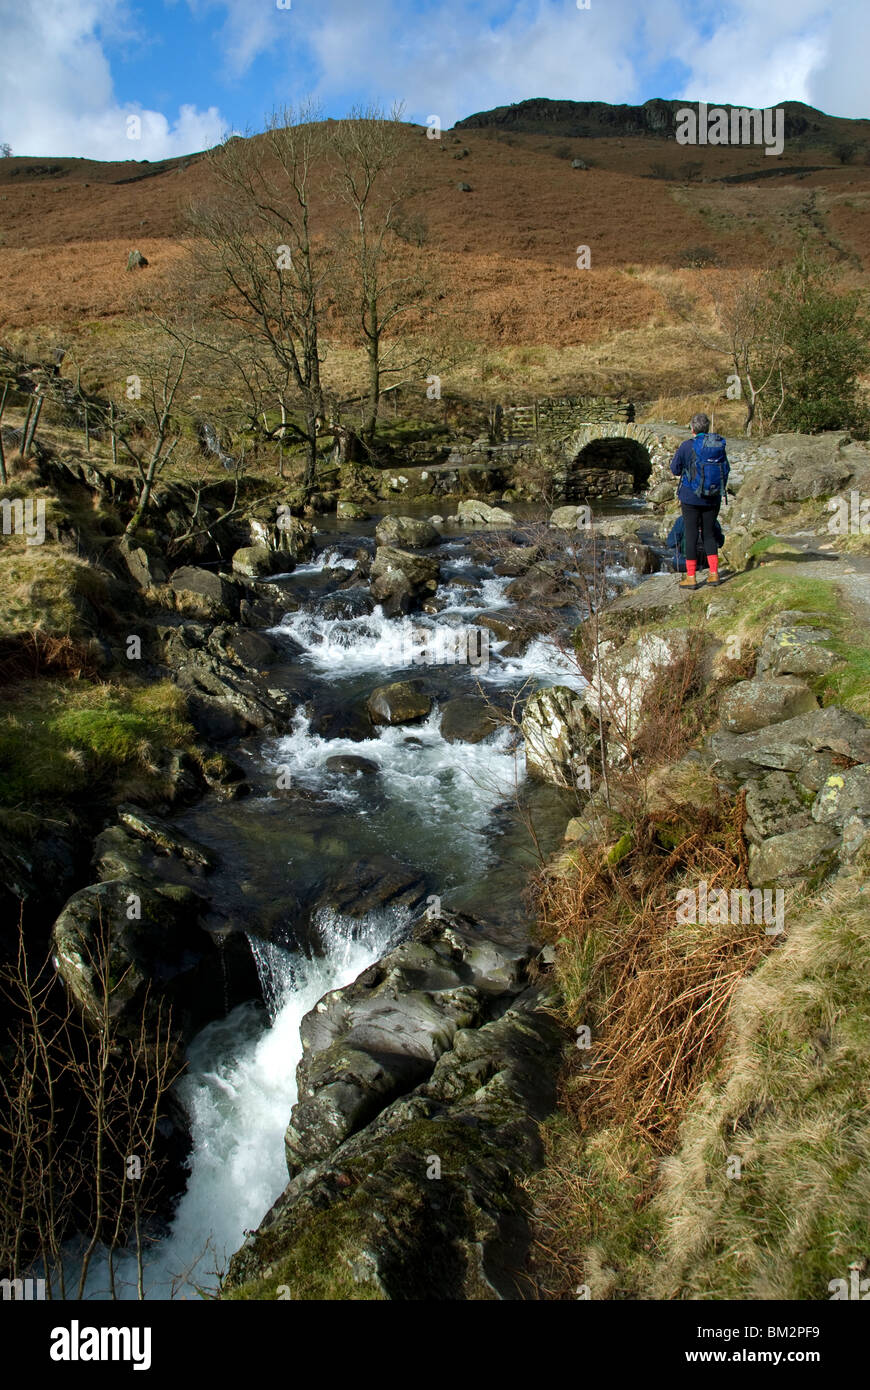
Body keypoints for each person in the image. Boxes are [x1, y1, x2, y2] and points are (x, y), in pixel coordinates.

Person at [669, 412, 730, 587]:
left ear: (692, 428)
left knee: (691, 534)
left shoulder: (687, 446)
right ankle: (713, 574)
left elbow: (675, 469)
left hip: (690, 497)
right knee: (709, 534)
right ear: (708, 428)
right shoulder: (718, 446)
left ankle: (691, 577)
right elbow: (726, 468)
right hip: (712, 497)